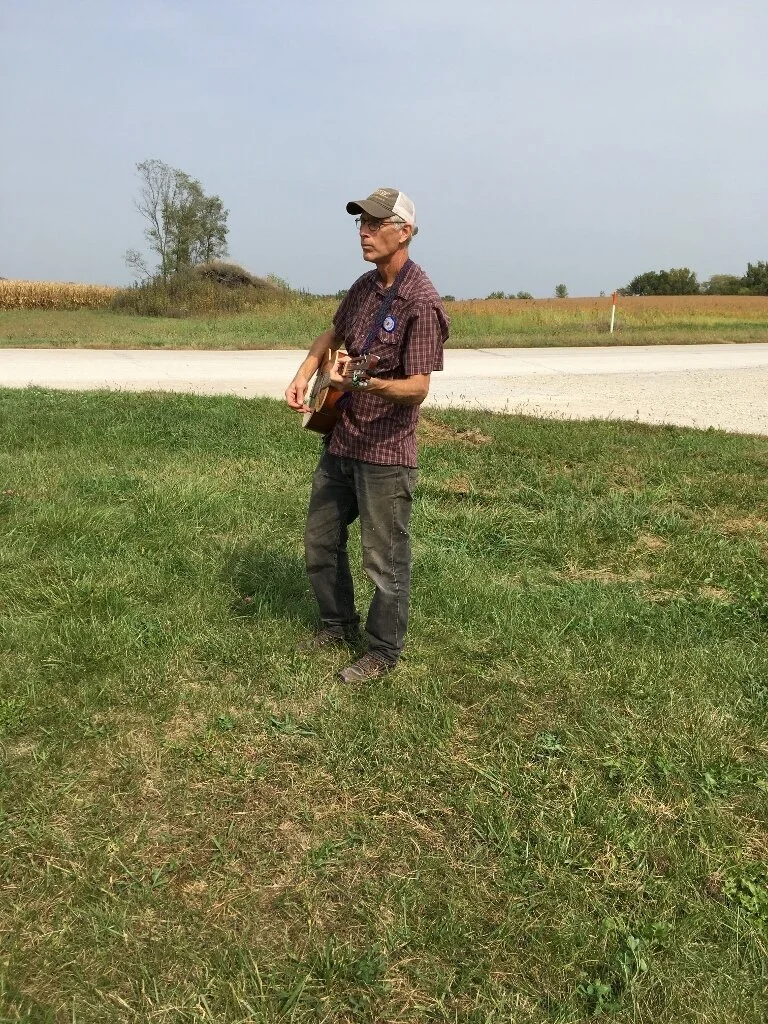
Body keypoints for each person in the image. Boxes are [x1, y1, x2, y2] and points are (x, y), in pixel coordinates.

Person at [285, 188, 449, 682]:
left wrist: (359, 381)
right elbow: (331, 335)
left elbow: (418, 388)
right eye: (360, 223)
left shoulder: (422, 301)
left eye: (376, 224)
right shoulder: (364, 286)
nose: (364, 232)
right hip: (342, 438)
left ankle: (382, 651)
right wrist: (304, 372)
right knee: (320, 539)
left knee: (384, 557)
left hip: (385, 451)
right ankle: (337, 625)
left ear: (405, 232)